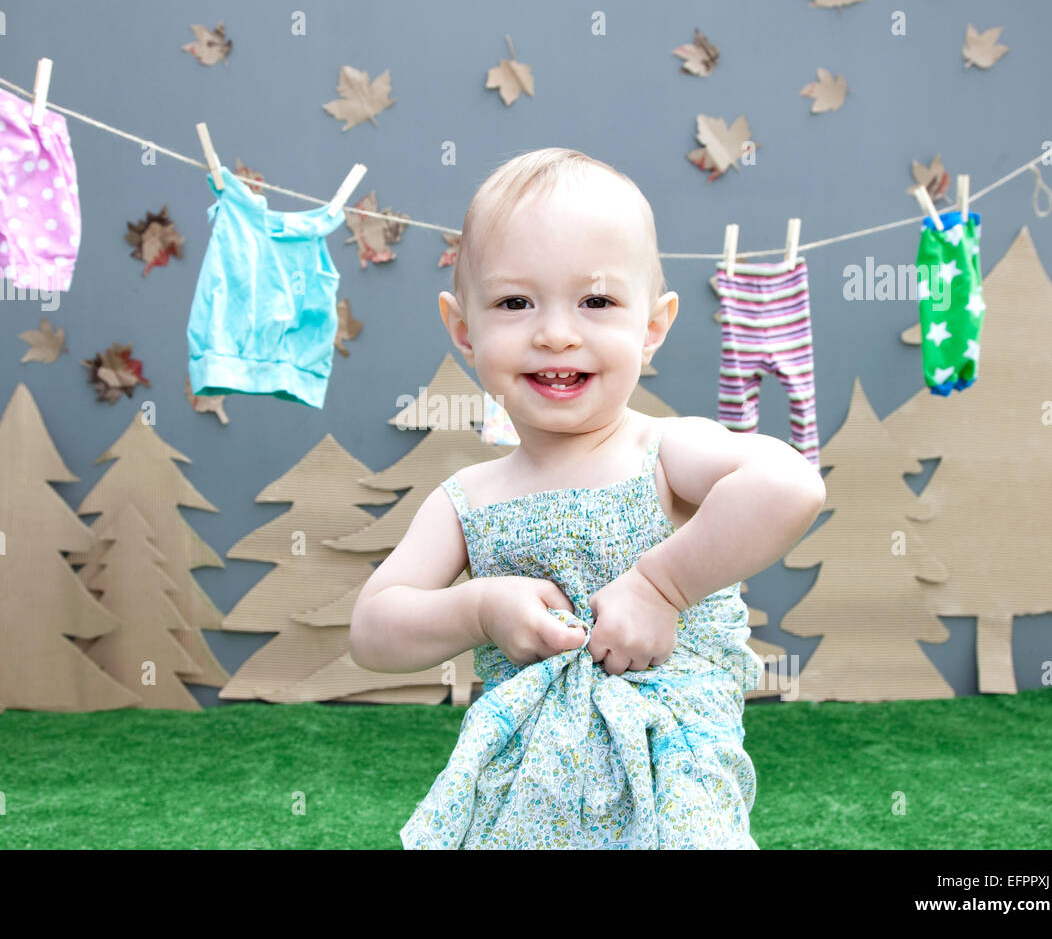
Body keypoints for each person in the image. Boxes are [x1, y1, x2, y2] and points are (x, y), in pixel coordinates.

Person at [349, 147, 826, 848]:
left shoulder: (662, 453)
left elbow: (790, 485)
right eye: (515, 303)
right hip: (522, 796)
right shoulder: (468, 499)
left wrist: (660, 589)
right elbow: (373, 631)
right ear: (464, 330)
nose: (556, 332)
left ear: (653, 325)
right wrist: (480, 608)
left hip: (672, 784)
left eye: (597, 301)